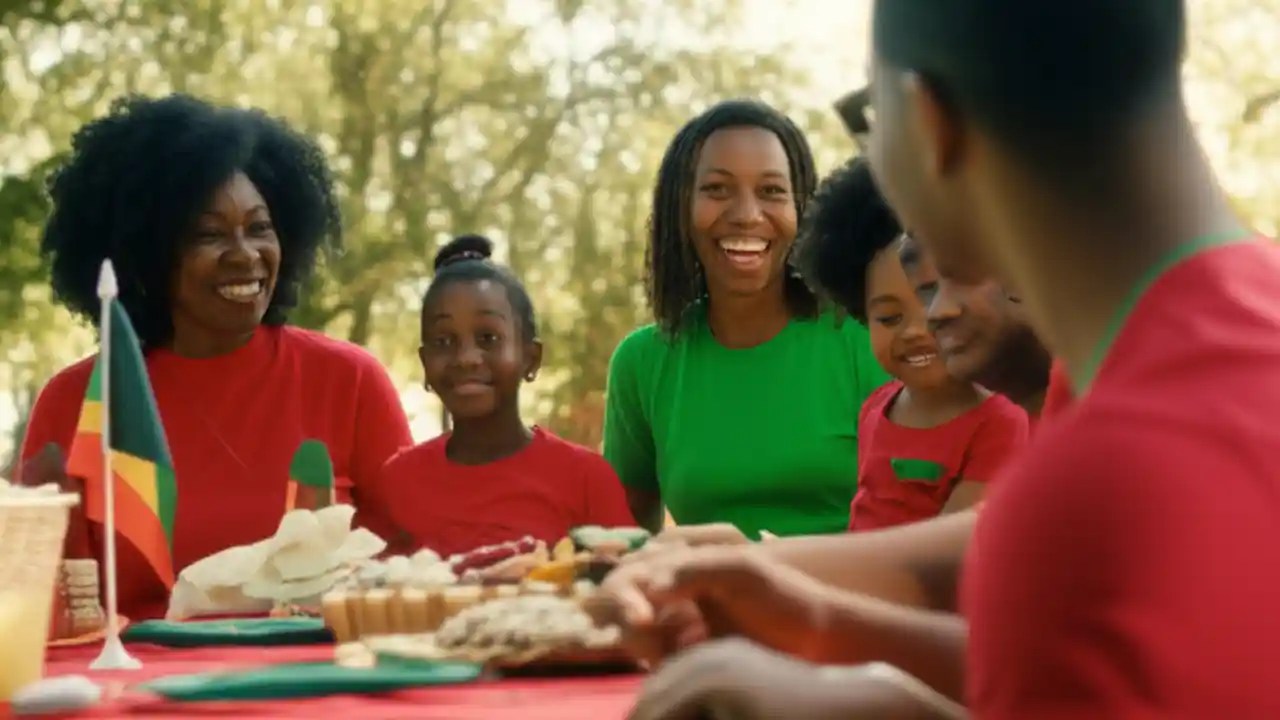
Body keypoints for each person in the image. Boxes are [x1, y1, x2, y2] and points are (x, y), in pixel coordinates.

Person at [620, 0, 1280, 718]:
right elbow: (1026, 588)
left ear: (931, 124)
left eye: (872, 120)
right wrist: (789, 598)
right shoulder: (1154, 371)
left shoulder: (1100, 474)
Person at [20, 94, 414, 619]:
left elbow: (410, 572)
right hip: (139, 694)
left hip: (319, 686)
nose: (245, 254)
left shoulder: (349, 380)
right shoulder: (77, 402)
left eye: (259, 227)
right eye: (209, 234)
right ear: (147, 253)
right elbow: (45, 609)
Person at [603, 99, 889, 538]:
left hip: (853, 602)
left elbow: (920, 523)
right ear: (680, 208)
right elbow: (623, 538)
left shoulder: (869, 337)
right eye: (717, 189)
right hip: (703, 605)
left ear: (802, 207)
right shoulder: (641, 363)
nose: (747, 215)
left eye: (772, 191)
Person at [796, 157, 1027, 531]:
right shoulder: (875, 409)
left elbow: (944, 558)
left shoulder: (1001, 423)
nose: (916, 330)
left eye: (931, 299)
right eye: (888, 318)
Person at [372, 235, 635, 558]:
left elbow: (624, 587)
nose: (466, 357)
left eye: (488, 338)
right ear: (425, 364)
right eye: (444, 341)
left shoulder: (586, 479)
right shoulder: (398, 481)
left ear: (531, 358)